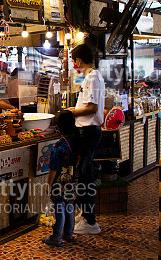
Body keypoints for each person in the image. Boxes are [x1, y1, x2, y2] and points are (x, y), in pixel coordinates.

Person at [67, 44, 105, 235]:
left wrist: (71, 112)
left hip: (88, 131)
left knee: (85, 176)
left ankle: (90, 221)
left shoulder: (91, 77)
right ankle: (86, 216)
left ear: (78, 60)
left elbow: (91, 108)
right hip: (90, 131)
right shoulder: (95, 76)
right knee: (85, 174)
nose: (75, 64)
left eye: (74, 61)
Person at [43, 110, 80, 247]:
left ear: (58, 127)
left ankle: (56, 237)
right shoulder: (77, 140)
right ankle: (68, 234)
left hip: (60, 182)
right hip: (73, 181)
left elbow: (53, 168)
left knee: (59, 207)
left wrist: (49, 185)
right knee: (69, 205)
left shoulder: (58, 147)